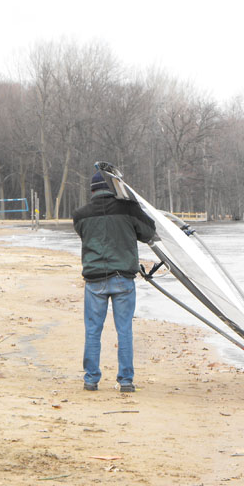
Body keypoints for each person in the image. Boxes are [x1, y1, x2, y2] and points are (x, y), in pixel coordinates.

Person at [73, 165, 156, 393]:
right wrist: (134, 206)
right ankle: (126, 381)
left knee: (93, 331)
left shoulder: (80, 215)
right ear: (115, 187)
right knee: (124, 330)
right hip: (123, 277)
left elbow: (85, 234)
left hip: (94, 279)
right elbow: (149, 232)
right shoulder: (128, 209)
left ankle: (91, 379)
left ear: (92, 190)